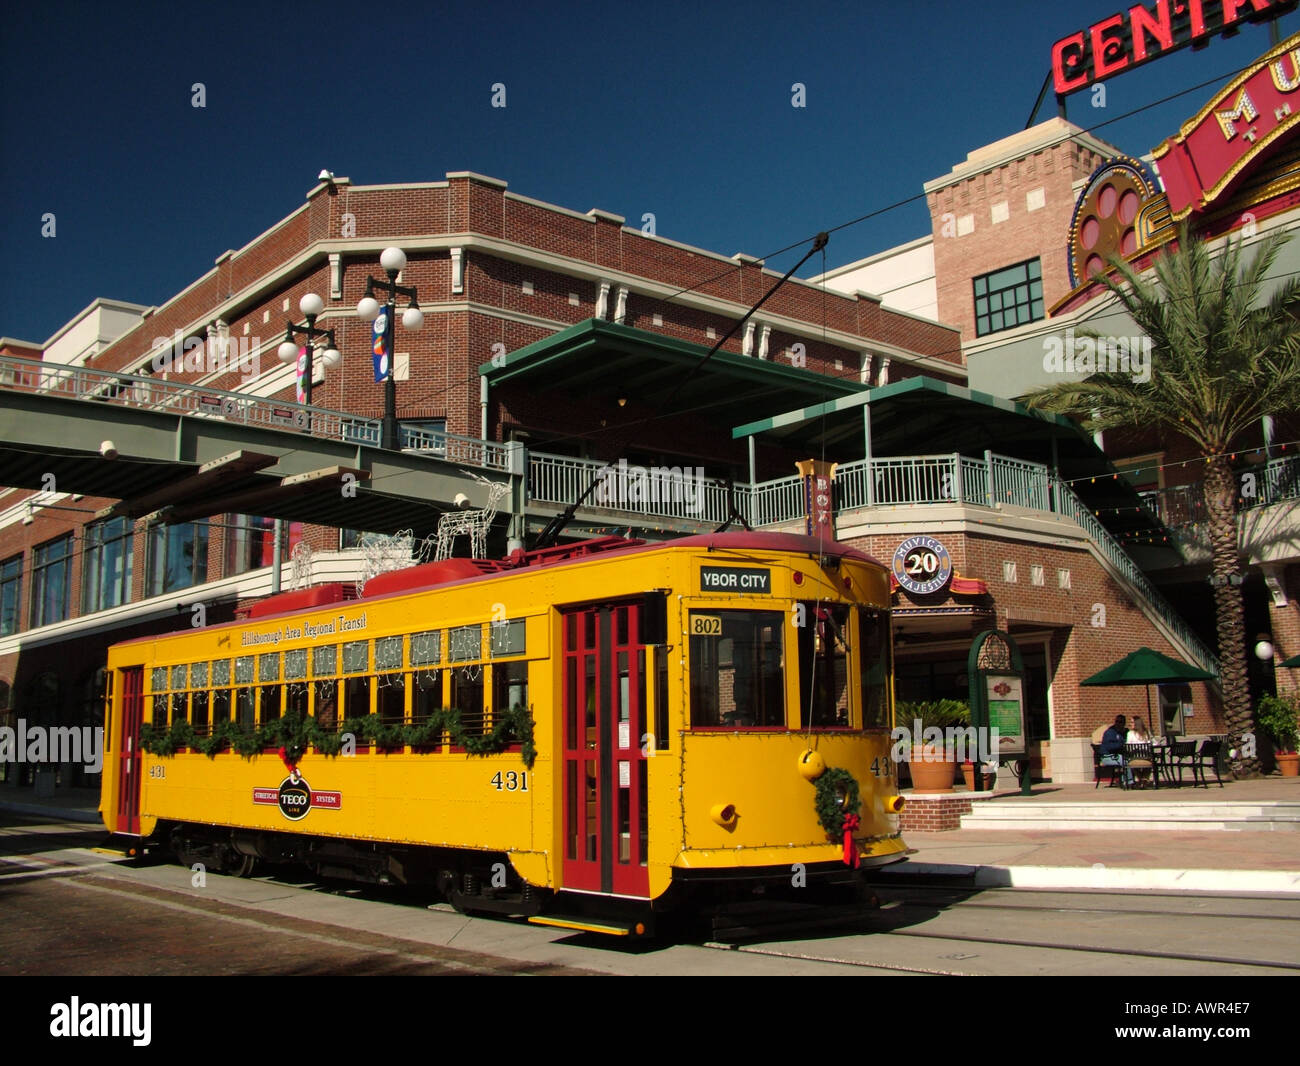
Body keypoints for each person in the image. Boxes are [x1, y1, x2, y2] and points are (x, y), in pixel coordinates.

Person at [1099, 713, 1132, 787]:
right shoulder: (1110, 732)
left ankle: (1137, 780)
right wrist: (1121, 744)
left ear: (1124, 723)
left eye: (1121, 722)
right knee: (1124, 760)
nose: (1118, 724)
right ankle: (1129, 782)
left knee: (1132, 760)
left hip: (1119, 755)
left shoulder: (1126, 732)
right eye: (1117, 721)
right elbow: (1108, 747)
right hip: (1107, 757)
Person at [1126, 716, 1152, 788]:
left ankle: (1140, 779)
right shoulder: (1146, 732)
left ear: (1136, 723)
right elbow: (1153, 743)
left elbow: (1128, 746)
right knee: (1150, 762)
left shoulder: (1130, 733)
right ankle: (1144, 779)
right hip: (1146, 757)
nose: (1130, 724)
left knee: (1132, 763)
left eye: (1132, 722)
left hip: (1134, 757)